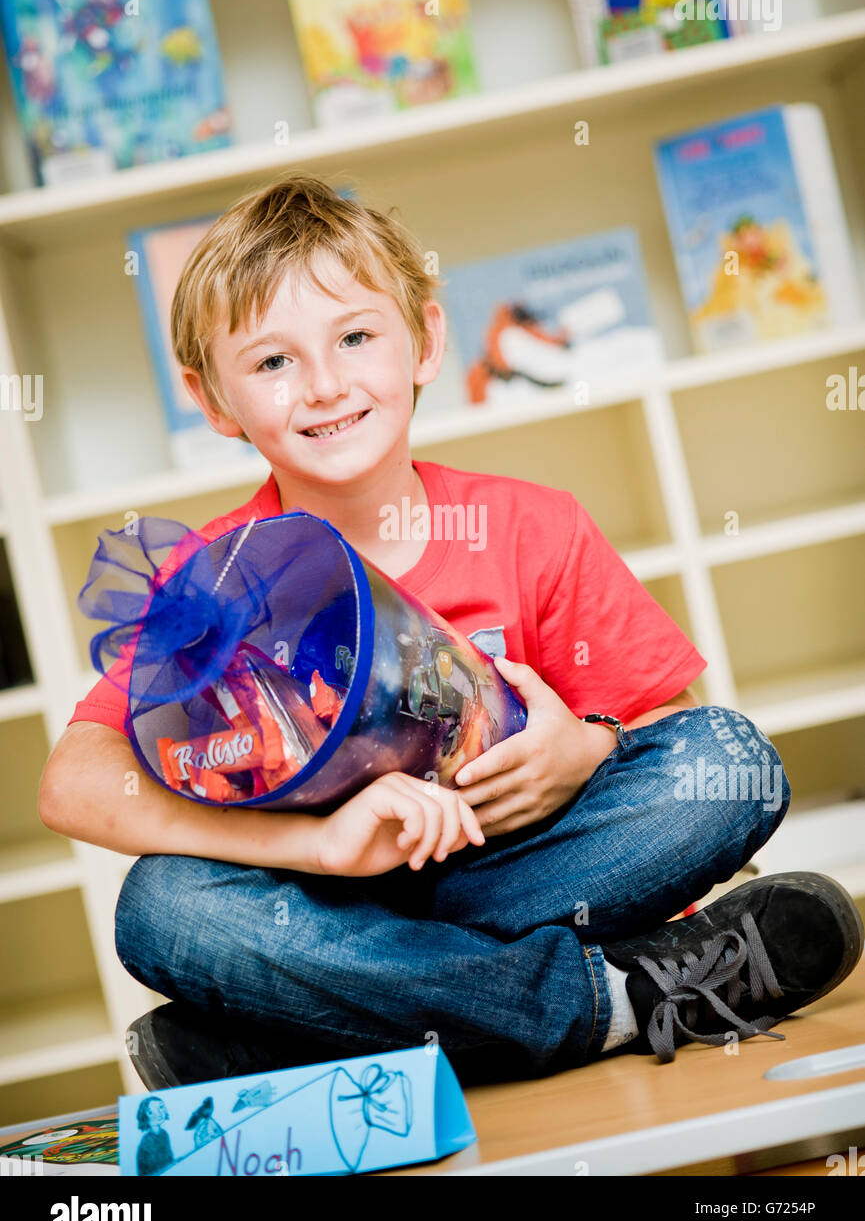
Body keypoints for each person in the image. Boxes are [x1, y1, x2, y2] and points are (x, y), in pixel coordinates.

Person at [39, 175, 863, 1089]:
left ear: (426, 340)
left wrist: (582, 753)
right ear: (213, 402)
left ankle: (311, 1030)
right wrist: (316, 848)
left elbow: (676, 729)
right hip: (325, 896)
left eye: (355, 336)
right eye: (272, 362)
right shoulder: (213, 577)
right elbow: (74, 780)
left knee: (725, 758)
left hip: (520, 870)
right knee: (164, 907)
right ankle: (610, 1000)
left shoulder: (531, 525)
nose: (323, 386)